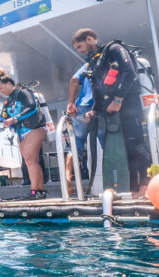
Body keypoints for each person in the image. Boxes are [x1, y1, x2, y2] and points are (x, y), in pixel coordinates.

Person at [72, 28, 152, 198]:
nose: (79, 51)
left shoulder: (114, 49)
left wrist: (118, 100)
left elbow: (129, 73)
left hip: (128, 106)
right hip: (111, 113)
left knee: (136, 145)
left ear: (89, 39)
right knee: (124, 149)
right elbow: (98, 89)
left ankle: (145, 186)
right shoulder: (95, 61)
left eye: (80, 46)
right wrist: (94, 110)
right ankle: (132, 188)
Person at [0, 69, 48, 200]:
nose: (0, 91)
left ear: (8, 84)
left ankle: (35, 191)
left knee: (30, 161)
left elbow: (32, 107)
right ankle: (39, 191)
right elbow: (4, 115)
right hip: (21, 133)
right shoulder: (8, 101)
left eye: (1, 88)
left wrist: (14, 119)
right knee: (31, 161)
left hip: (33, 129)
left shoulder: (23, 92)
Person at [65, 62, 105, 195]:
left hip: (81, 107)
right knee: (106, 143)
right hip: (100, 106)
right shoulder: (109, 60)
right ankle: (113, 181)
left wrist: (71, 102)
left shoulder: (89, 64)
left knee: (75, 145)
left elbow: (74, 80)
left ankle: (68, 177)